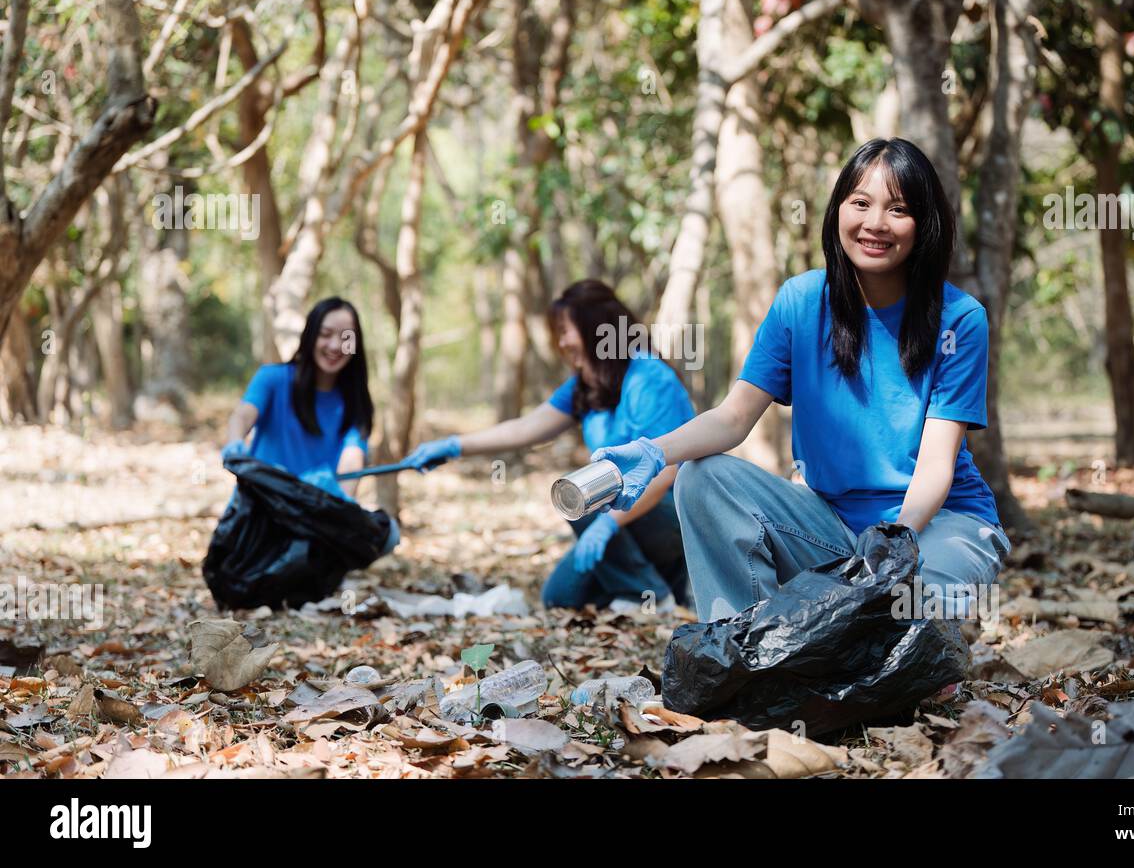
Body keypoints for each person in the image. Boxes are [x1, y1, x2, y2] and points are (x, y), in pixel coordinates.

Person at [589, 138, 1012, 623]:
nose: (875, 223)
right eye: (860, 203)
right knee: (703, 479)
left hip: (937, 525)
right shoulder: (801, 300)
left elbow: (937, 465)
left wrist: (895, 541)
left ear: (924, 225)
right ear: (838, 211)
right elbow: (733, 417)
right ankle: (747, 649)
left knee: (899, 627)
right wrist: (652, 452)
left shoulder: (960, 318)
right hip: (828, 527)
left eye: (898, 209)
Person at [405, 280, 695, 612]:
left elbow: (667, 472)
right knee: (560, 598)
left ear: (594, 329)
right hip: (625, 519)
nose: (561, 342)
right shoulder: (586, 387)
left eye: (565, 330)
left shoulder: (648, 378)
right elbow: (526, 429)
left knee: (581, 487)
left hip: (673, 514)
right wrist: (454, 446)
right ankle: (654, 585)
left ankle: (650, 596)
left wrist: (607, 524)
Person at [222, 296, 383, 518]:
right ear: (310, 336)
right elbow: (242, 416)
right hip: (257, 514)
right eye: (325, 334)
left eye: (346, 337)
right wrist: (235, 443)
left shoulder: (356, 404)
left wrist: (341, 506)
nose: (335, 345)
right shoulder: (272, 379)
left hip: (314, 521)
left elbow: (352, 461)